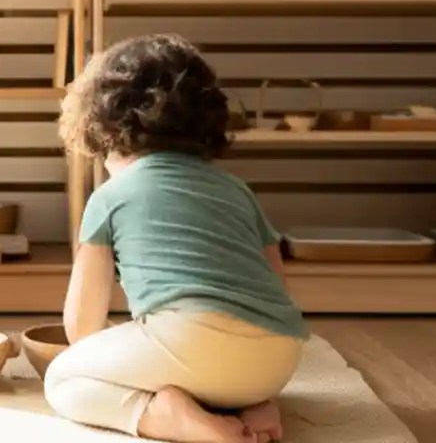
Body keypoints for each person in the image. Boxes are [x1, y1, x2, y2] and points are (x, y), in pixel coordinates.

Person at [44, 34, 306, 443]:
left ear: (104, 131)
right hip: (277, 361)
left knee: (64, 378)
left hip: (191, 344)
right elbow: (277, 289)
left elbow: (81, 328)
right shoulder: (237, 190)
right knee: (212, 364)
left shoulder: (110, 197)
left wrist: (127, 353)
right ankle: (254, 410)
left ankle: (174, 419)